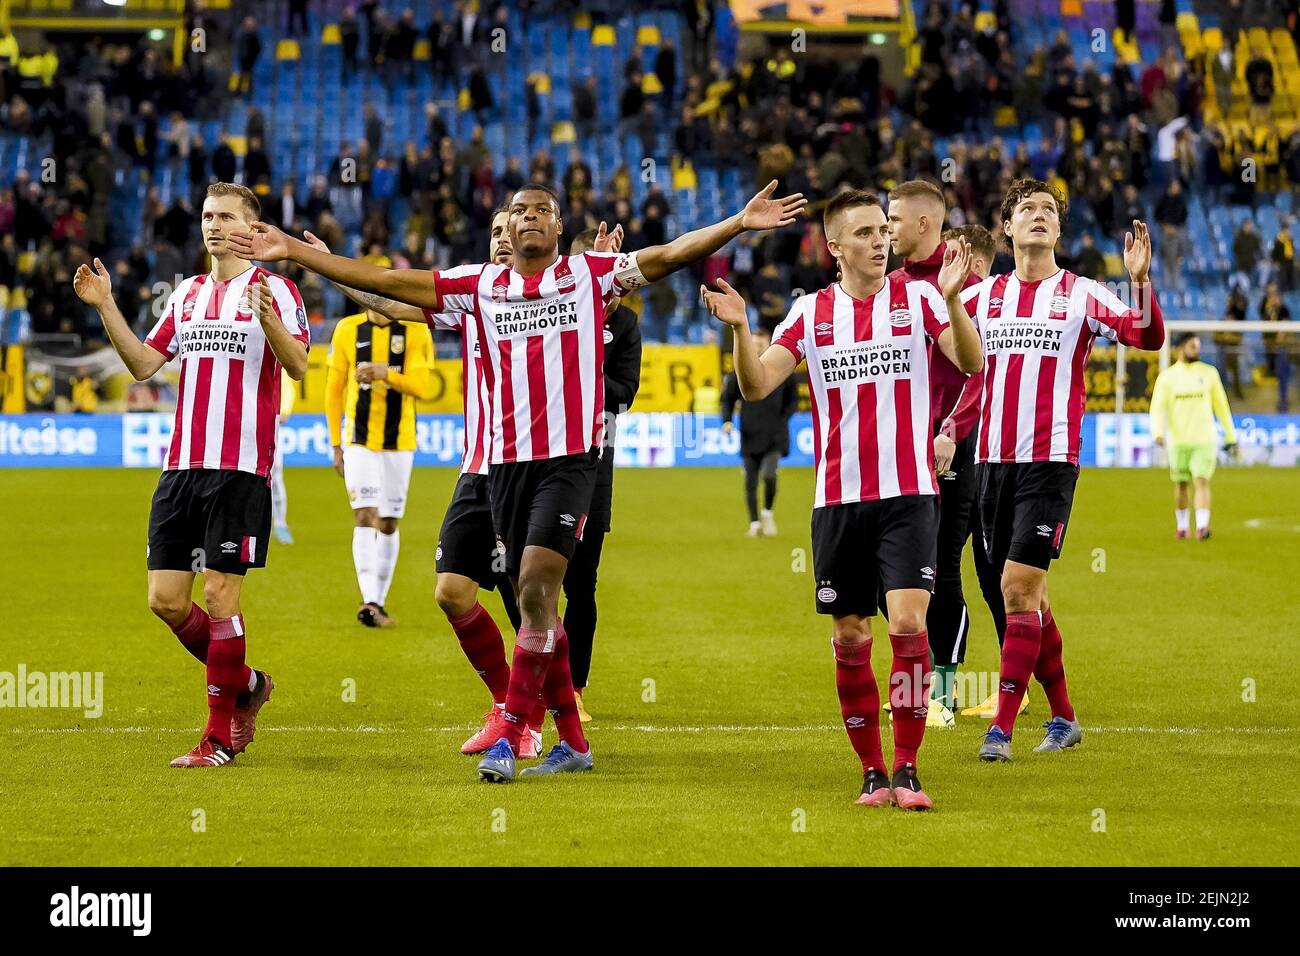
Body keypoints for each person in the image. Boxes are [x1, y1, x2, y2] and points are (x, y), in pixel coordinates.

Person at [228, 180, 806, 784]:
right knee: (508, 597)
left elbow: (669, 253)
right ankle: (571, 738)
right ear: (504, 223)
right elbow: (391, 285)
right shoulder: (478, 287)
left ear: (558, 228)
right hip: (499, 467)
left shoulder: (591, 277)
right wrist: (299, 251)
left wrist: (737, 223)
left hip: (569, 463)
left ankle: (513, 730)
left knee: (537, 585)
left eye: (543, 211)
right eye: (520, 211)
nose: (530, 219)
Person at [703, 190, 982, 811]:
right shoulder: (808, 314)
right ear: (835, 246)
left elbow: (970, 360)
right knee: (852, 636)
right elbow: (756, 386)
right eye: (865, 233)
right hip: (839, 502)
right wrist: (742, 329)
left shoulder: (922, 298)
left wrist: (957, 297)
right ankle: (870, 771)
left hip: (910, 495)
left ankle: (907, 769)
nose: (881, 240)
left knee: (909, 625)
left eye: (884, 230)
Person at [70, 182, 308, 768]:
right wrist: (106, 305)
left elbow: (299, 364)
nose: (212, 225)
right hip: (181, 467)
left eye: (226, 216)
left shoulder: (275, 287)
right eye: (207, 215)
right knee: (166, 600)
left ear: (252, 230)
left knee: (219, 595)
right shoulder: (186, 295)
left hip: (240, 468)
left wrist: (270, 321)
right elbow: (145, 365)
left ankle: (218, 737)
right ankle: (248, 684)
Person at [303, 210, 539, 756]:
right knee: (452, 591)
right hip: (477, 468)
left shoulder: (560, 297)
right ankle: (511, 711)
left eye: (513, 232)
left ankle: (558, 724)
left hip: (535, 469)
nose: (503, 241)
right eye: (495, 232)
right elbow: (386, 297)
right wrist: (326, 267)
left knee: (532, 601)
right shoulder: (471, 295)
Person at [961, 178, 1164, 762]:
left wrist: (1141, 281)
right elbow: (942, 353)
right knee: (1030, 599)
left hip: (1051, 461)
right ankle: (1065, 718)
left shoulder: (1082, 294)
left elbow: (1147, 336)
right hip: (992, 463)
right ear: (1008, 229)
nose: (1040, 216)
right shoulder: (981, 298)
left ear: (1058, 227)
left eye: (1049, 210)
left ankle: (1000, 729)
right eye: (1027, 209)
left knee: (1017, 589)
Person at [885, 181, 992, 727]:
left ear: (925, 224)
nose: (887, 228)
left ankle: (942, 694)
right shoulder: (889, 288)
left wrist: (951, 429)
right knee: (898, 572)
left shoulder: (967, 289)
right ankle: (914, 681)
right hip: (901, 447)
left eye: (894, 219)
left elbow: (981, 370)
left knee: (943, 567)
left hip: (955, 446)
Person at [562, 226, 643, 720]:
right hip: (538, 460)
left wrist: (573, 370)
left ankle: (573, 687)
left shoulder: (627, 327)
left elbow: (623, 392)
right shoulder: (551, 310)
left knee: (581, 585)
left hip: (594, 465)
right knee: (529, 582)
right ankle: (527, 685)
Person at [325, 296, 434, 627]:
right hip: (357, 440)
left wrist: (386, 373)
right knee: (365, 514)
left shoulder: (415, 330)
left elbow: (423, 386)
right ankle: (369, 601)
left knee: (388, 522)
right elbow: (334, 389)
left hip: (399, 443)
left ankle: (379, 601)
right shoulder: (347, 330)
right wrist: (335, 443)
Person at [1150, 332, 1236, 540]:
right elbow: (1158, 407)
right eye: (1192, 346)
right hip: (1178, 440)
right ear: (1181, 347)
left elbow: (1221, 405)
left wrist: (1230, 435)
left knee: (1201, 481)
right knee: (1181, 484)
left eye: (1197, 346)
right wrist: (1158, 432)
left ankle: (1203, 526)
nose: (1196, 350)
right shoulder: (1168, 377)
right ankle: (1182, 526)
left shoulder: (1209, 373)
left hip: (1204, 439)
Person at [721, 327, 798, 536]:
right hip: (749, 433)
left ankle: (767, 512)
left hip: (775, 435)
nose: (756, 349)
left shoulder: (781, 370)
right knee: (750, 481)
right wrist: (727, 421)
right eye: (753, 345)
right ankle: (754, 524)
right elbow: (727, 400)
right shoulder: (740, 371)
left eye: (761, 345)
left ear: (769, 346)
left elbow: (793, 401)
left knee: (770, 475)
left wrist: (782, 418)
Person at [271, 367, 296, 544]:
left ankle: (280, 524)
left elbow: (287, 386)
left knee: (275, 476)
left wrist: (285, 409)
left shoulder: (274, 358)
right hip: (242, 423)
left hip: (269, 423)